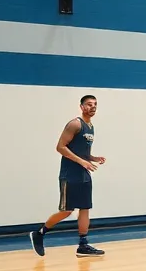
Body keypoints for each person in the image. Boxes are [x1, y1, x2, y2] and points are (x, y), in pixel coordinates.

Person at [29, 94, 106, 257]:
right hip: (69, 174)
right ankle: (39, 233)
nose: (93, 107)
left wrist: (92, 158)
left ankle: (83, 245)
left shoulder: (90, 126)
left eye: (95, 104)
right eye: (89, 104)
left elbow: (81, 151)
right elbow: (61, 147)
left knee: (85, 209)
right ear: (82, 107)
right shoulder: (74, 124)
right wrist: (82, 162)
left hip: (84, 174)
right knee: (67, 211)